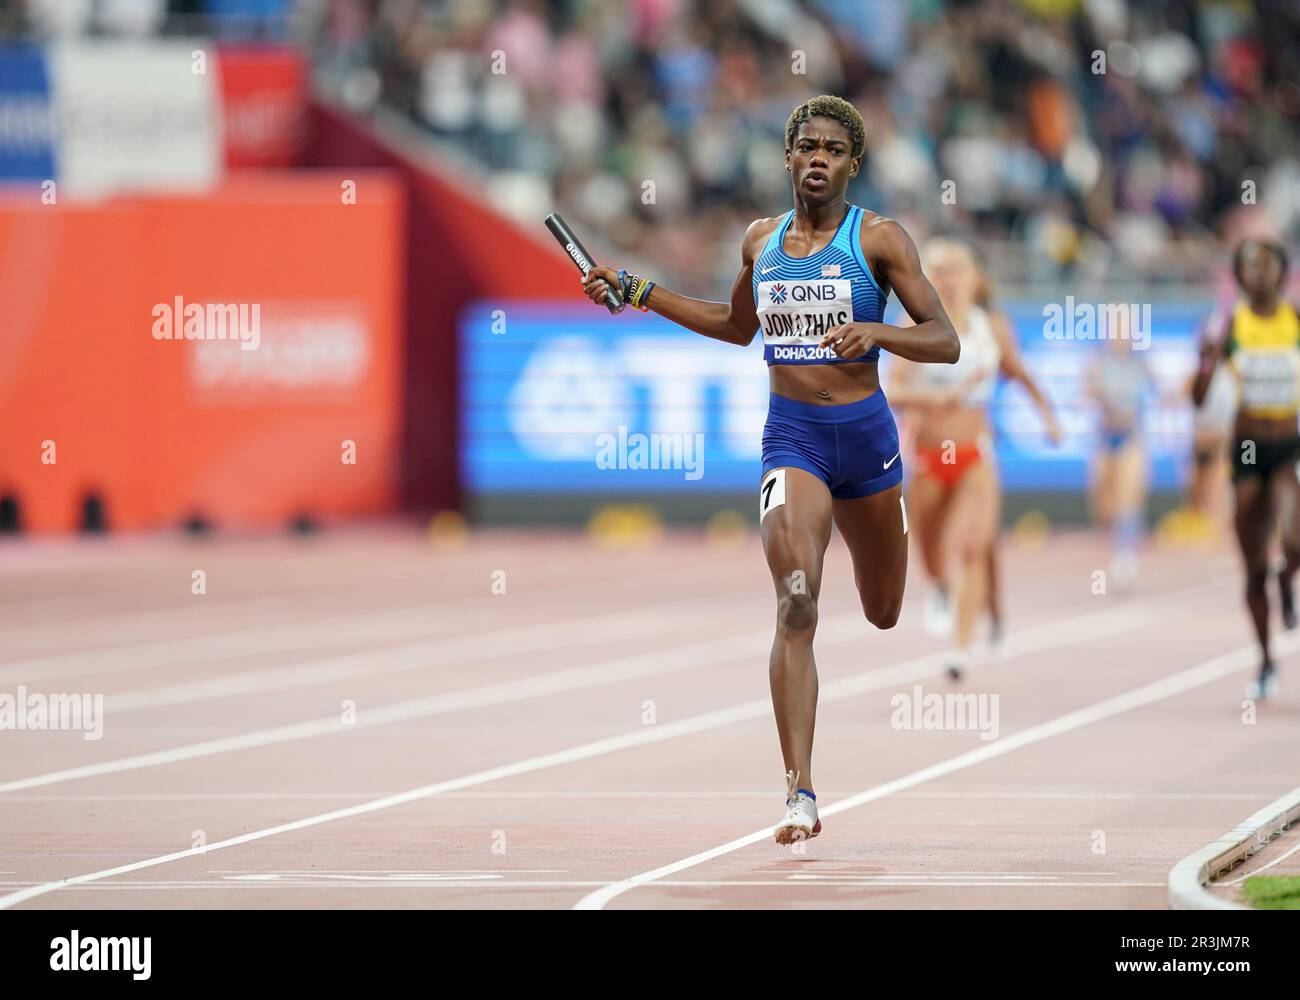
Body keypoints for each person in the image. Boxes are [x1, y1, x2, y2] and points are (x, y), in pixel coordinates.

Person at [580, 95, 959, 842]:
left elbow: (944, 339)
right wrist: (639, 290)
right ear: (788, 158)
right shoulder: (762, 240)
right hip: (795, 443)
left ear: (853, 165)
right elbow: (736, 326)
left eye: (833, 149)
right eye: (806, 146)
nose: (818, 158)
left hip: (869, 444)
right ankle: (800, 795)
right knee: (796, 604)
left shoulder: (878, 239)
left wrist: (876, 331)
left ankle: (807, 779)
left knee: (883, 610)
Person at [888, 239, 1060, 678]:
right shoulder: (913, 323)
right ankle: (942, 588)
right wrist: (934, 398)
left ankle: (960, 648)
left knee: (971, 544)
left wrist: (1048, 417)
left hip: (975, 457)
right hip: (927, 458)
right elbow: (892, 389)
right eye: (938, 270)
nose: (947, 279)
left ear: (975, 278)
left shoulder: (993, 327)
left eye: (956, 269)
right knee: (928, 549)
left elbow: (1018, 372)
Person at [1192, 239, 1300, 700]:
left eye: (1267, 265)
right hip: (1249, 448)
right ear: (1238, 274)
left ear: (1281, 272)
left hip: (1290, 444)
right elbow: (1197, 399)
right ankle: (1265, 661)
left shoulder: (1295, 320)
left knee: (1296, 537)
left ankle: (1287, 575)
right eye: (1250, 266)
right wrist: (1208, 360)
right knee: (1252, 562)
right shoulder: (1229, 322)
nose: (1259, 273)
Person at [1085, 318, 1153, 593]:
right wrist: (1098, 396)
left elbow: (1161, 391)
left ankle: (1125, 557)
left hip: (1131, 439)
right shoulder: (1099, 362)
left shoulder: (1140, 362)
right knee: (1103, 507)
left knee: (1128, 497)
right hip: (1105, 439)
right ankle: (1118, 542)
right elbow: (1087, 391)